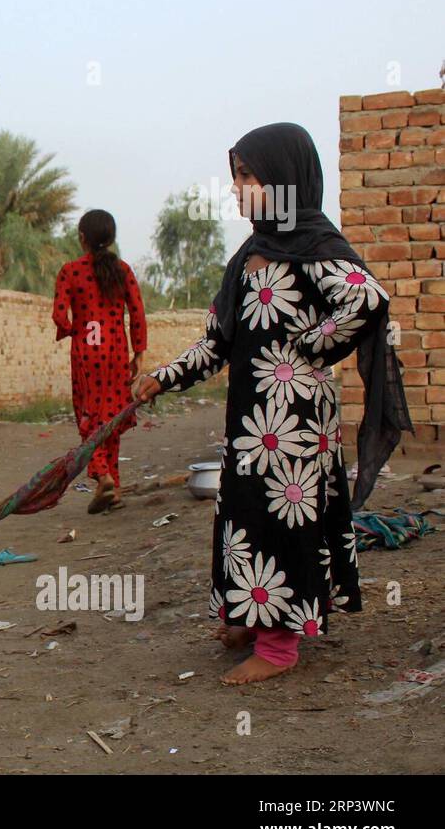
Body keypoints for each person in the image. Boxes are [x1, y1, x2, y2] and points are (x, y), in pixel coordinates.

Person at [134, 122, 411, 685]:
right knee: (243, 517)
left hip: (295, 423)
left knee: (280, 520)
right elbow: (217, 343)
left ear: (285, 179)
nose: (236, 188)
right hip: (251, 421)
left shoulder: (313, 246)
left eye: (247, 175)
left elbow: (366, 298)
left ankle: (279, 646)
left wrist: (309, 347)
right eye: (235, 176)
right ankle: (251, 618)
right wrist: (160, 378)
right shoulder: (248, 257)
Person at [52, 209, 147, 513]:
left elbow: (59, 313)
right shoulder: (123, 270)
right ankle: (114, 488)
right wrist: (139, 351)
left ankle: (103, 476)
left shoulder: (71, 271)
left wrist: (71, 330)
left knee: (89, 416)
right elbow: (138, 312)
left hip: (86, 355)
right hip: (117, 353)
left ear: (82, 238)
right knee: (112, 418)